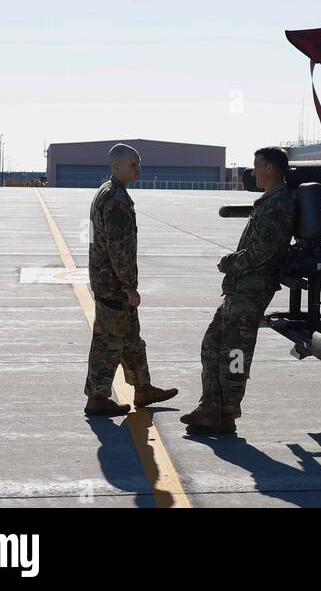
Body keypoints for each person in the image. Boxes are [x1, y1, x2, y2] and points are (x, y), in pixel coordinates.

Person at [181, 146, 294, 434]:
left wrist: (228, 263)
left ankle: (226, 414)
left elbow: (260, 251)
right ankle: (211, 407)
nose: (252, 172)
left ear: (270, 169)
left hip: (251, 290)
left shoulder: (278, 205)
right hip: (240, 289)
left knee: (235, 353)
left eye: (257, 166)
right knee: (212, 345)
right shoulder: (269, 201)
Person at [83, 143, 179, 416]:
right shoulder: (115, 199)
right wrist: (128, 287)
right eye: (133, 164)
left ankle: (143, 388)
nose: (139, 168)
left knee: (131, 340)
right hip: (113, 285)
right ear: (116, 167)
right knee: (108, 343)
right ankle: (97, 397)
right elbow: (118, 249)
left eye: (139, 163)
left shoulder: (110, 192)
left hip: (109, 282)